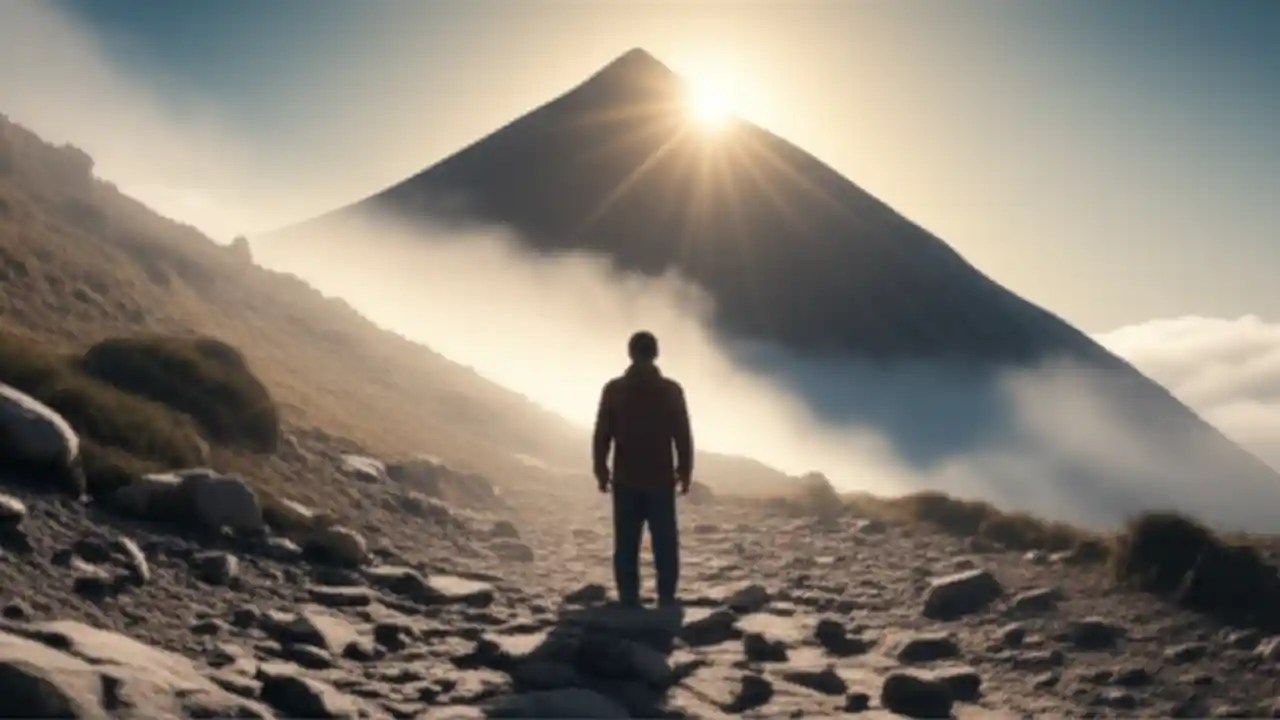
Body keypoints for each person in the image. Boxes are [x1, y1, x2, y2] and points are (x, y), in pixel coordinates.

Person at [592, 331, 693, 608]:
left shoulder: (614, 389)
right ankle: (667, 597)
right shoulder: (671, 390)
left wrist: (601, 470)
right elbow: (682, 435)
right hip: (660, 478)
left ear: (630, 353)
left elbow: (602, 434)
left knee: (626, 543)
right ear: (656, 353)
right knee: (664, 542)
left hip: (626, 477)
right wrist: (685, 471)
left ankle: (628, 599)